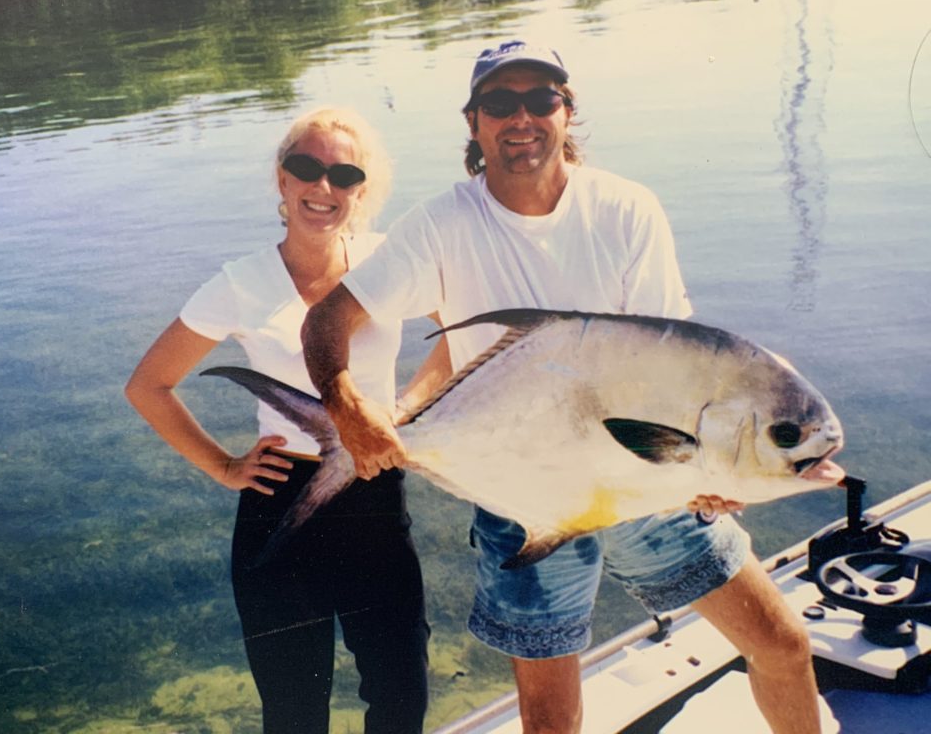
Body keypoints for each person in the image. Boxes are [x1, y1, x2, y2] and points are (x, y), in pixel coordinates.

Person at [301, 41, 844, 733]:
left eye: (540, 99)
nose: (521, 118)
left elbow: (679, 374)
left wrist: (711, 474)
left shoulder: (626, 209)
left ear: (567, 111)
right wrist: (345, 406)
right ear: (473, 123)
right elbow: (328, 320)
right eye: (501, 103)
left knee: (784, 646)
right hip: (524, 492)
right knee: (550, 719)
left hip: (653, 486)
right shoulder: (440, 225)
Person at [125, 107, 434, 734]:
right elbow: (149, 386)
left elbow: (462, 333)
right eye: (306, 167)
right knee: (294, 716)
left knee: (402, 699)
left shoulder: (388, 260)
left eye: (344, 174)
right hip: (279, 506)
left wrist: (404, 409)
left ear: (362, 190)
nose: (323, 187)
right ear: (282, 179)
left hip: (374, 497)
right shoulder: (240, 284)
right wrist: (223, 466)